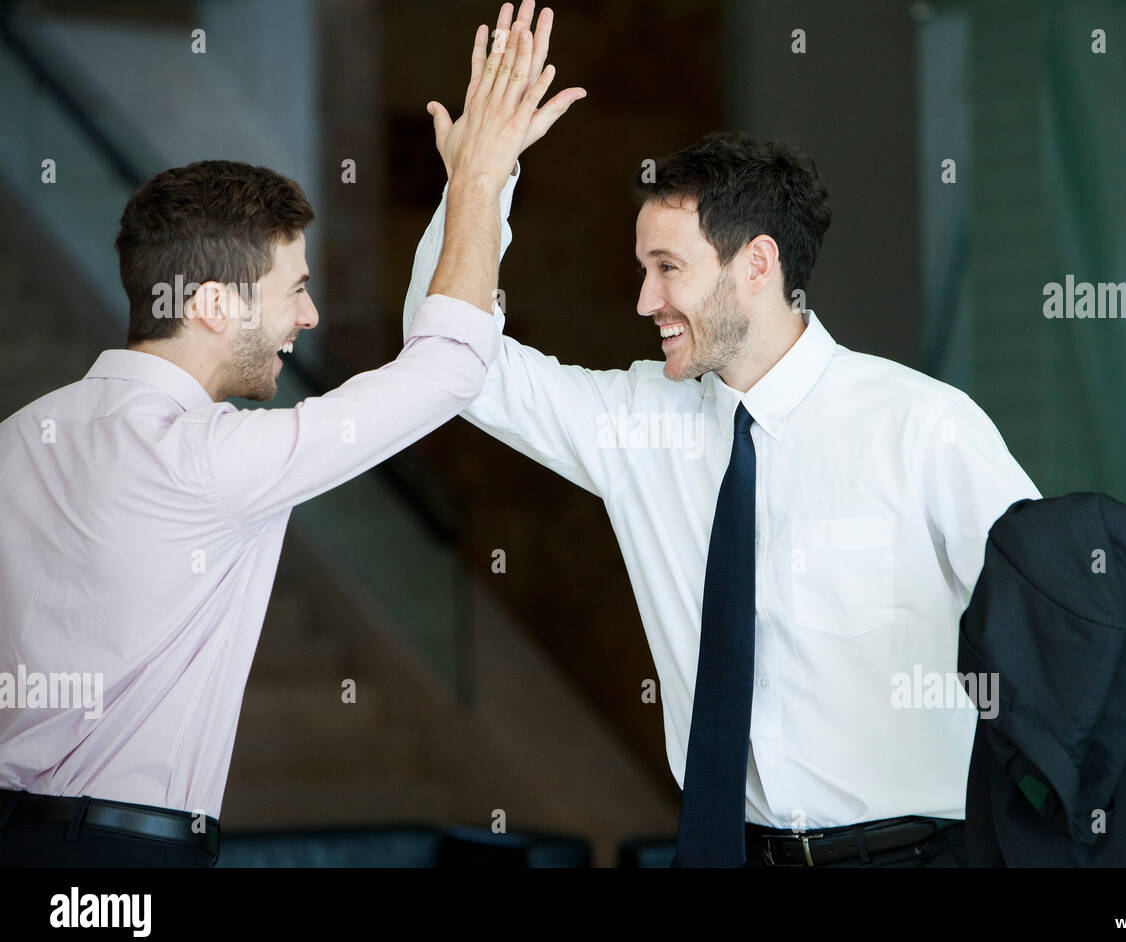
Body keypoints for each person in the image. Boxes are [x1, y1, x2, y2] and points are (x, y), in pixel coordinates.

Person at [406, 0, 1041, 868]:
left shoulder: (923, 427)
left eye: (668, 269)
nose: (643, 301)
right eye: (643, 269)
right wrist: (480, 184)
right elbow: (450, 360)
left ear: (758, 265)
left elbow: (1052, 635)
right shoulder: (636, 423)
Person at [0, 14, 583, 866]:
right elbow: (450, 365)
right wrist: (482, 176)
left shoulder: (18, 439)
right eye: (294, 290)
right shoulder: (210, 460)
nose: (309, 316)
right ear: (209, 304)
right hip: (127, 867)